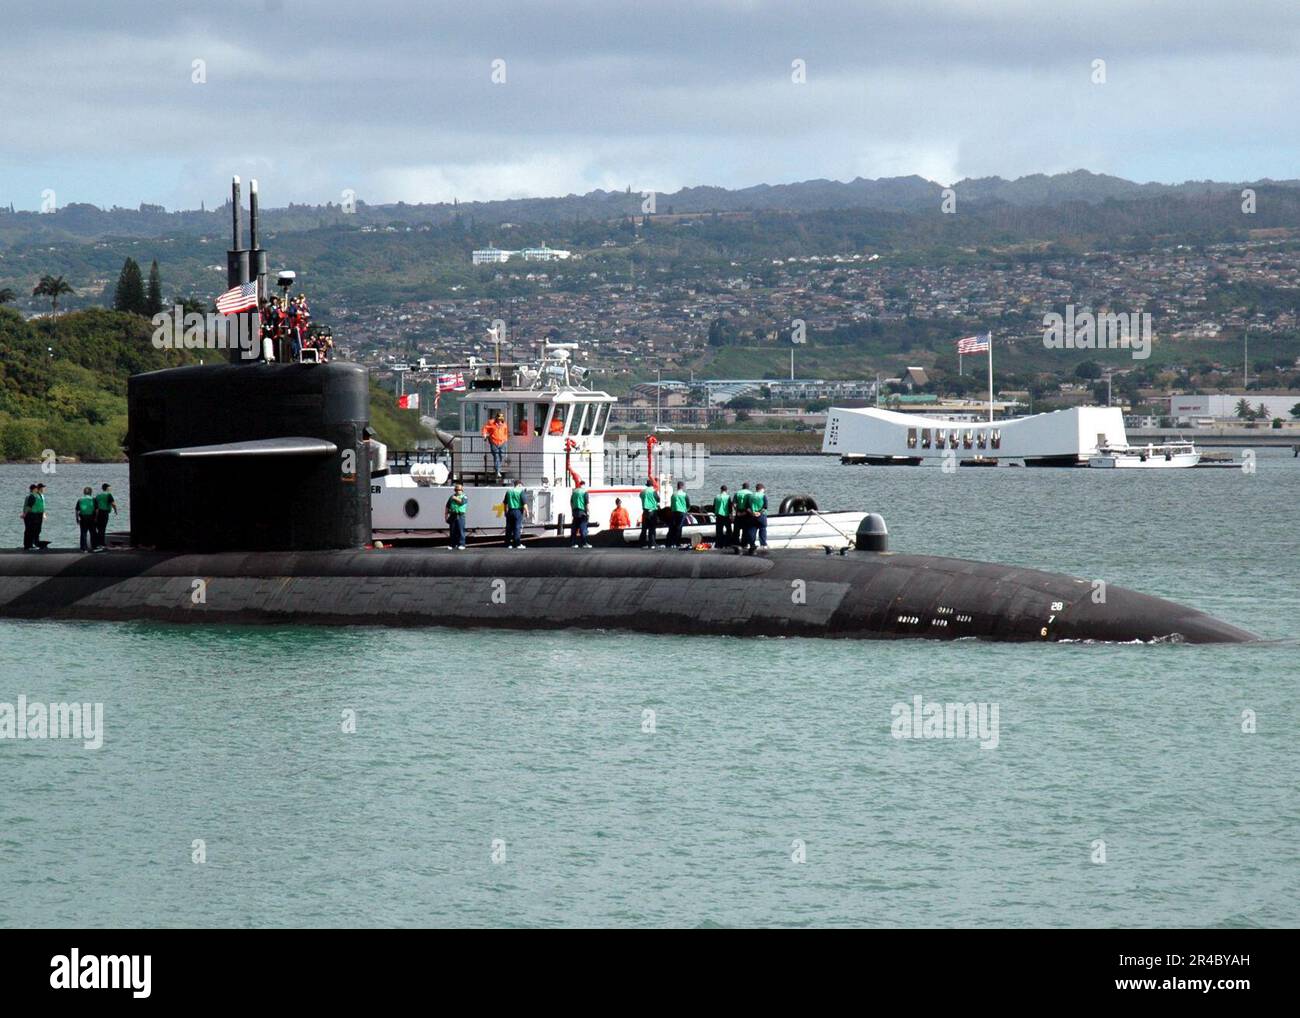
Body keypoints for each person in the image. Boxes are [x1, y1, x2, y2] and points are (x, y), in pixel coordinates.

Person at [502, 479, 528, 548]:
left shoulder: (509, 491)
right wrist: (527, 512)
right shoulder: (520, 492)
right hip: (518, 511)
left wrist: (505, 512)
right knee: (517, 527)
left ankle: (508, 544)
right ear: (519, 484)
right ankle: (517, 544)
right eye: (521, 485)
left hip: (510, 511)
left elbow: (505, 503)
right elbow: (524, 504)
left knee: (509, 528)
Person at [482, 411, 508, 477]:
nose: (500, 420)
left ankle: (497, 468)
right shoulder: (491, 422)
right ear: (496, 418)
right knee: (496, 456)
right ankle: (497, 471)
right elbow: (485, 428)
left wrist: (505, 439)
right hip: (494, 442)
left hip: (502, 442)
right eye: (499, 419)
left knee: (501, 456)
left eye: (501, 419)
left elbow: (506, 432)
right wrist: (485, 435)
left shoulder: (504, 424)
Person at [92, 482, 117, 550]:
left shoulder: (98, 495)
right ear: (107, 488)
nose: (110, 489)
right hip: (104, 512)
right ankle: (102, 543)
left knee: (99, 528)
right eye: (109, 488)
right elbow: (113, 504)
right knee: (103, 528)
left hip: (97, 513)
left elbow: (95, 504)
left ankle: (97, 542)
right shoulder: (109, 495)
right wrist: (115, 510)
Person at [735, 481, 758, 554]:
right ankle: (744, 544)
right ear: (748, 487)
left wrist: (737, 512)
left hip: (738, 512)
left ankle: (736, 543)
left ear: (742, 487)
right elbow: (750, 505)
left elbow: (734, 504)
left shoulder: (737, 493)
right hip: (747, 513)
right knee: (746, 529)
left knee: (737, 529)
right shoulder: (750, 494)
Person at [445, 482, 468, 549]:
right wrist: (446, 516)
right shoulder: (451, 497)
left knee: (461, 530)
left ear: (462, 490)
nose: (458, 491)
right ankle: (452, 544)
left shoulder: (464, 497)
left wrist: (455, 498)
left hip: (460, 515)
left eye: (459, 490)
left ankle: (462, 544)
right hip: (452, 515)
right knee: (452, 530)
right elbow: (447, 506)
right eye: (456, 490)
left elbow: (461, 502)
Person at [638, 478, 660, 548]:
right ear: (652, 485)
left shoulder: (642, 492)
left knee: (644, 529)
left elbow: (641, 497)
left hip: (645, 512)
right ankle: (652, 543)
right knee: (652, 528)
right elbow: (658, 499)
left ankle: (642, 544)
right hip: (652, 512)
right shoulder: (653, 491)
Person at [569, 480, 592, 548]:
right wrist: (588, 512)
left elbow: (571, 502)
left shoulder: (574, 492)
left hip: (575, 512)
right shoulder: (585, 492)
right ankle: (584, 543)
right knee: (583, 528)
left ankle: (572, 544)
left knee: (574, 528)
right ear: (584, 485)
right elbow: (587, 503)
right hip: (582, 512)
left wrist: (572, 510)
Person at [75, 486, 96, 553]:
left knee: (83, 533)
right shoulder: (93, 499)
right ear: (91, 492)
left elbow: (77, 510)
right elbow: (97, 510)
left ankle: (83, 548)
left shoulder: (80, 499)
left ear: (84, 492)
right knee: (93, 533)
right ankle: (94, 547)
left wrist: (77, 518)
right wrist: (96, 518)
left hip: (83, 518)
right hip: (91, 517)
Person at [668, 481, 689, 548]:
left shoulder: (673, 494)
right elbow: (688, 504)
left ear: (677, 486)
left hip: (674, 512)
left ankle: (671, 542)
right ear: (682, 486)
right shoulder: (684, 494)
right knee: (679, 527)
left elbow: (671, 504)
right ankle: (677, 543)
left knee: (673, 527)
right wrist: (687, 510)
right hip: (682, 512)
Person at [754, 482, 769, 549]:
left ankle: (751, 543)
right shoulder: (763, 495)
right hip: (762, 515)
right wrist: (759, 512)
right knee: (762, 529)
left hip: (752, 515)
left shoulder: (751, 495)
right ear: (762, 489)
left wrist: (753, 512)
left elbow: (748, 506)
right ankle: (763, 544)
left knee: (753, 530)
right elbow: (765, 506)